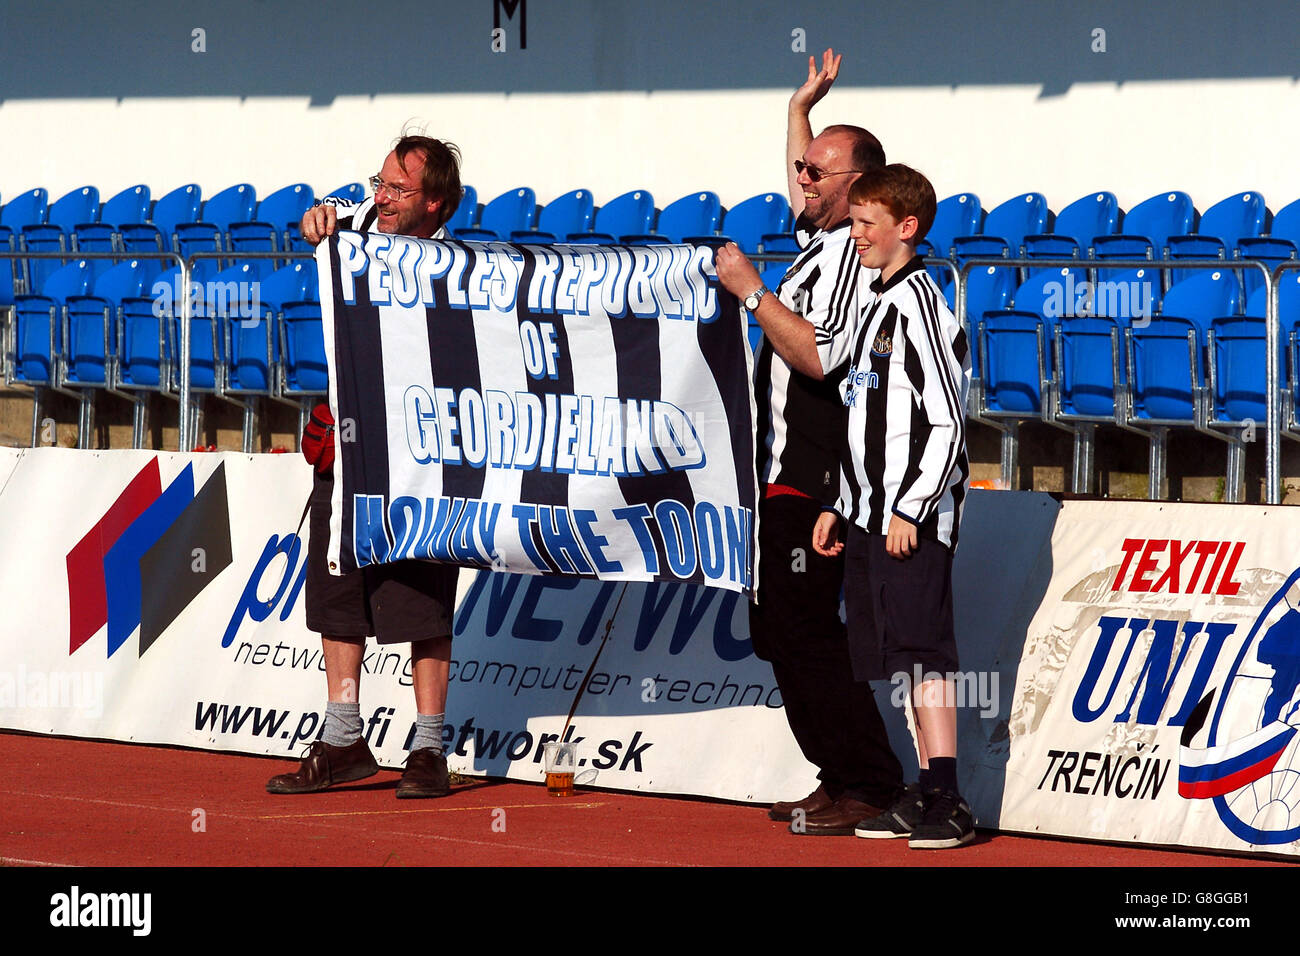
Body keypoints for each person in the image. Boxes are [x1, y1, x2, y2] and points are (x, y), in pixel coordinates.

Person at [716, 50, 904, 835]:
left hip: (816, 480)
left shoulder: (857, 256)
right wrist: (801, 103)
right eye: (803, 170)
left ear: (859, 188)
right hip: (776, 475)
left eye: (819, 174)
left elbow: (819, 355)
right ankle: (837, 772)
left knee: (805, 632)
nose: (803, 181)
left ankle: (870, 779)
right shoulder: (820, 238)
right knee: (781, 634)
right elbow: (805, 164)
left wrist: (752, 292)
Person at [266, 135, 465, 799]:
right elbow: (323, 217)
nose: (380, 198)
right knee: (338, 597)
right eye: (378, 183)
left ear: (433, 202)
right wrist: (319, 210)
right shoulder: (359, 226)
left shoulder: (462, 271)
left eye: (396, 190)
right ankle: (344, 735)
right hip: (348, 450)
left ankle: (430, 746)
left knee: (422, 603)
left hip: (422, 456)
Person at [812, 163, 974, 849]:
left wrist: (912, 505)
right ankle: (924, 788)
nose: (855, 235)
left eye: (866, 223)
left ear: (906, 228)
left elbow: (947, 419)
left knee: (925, 652)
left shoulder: (920, 304)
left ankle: (949, 795)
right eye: (852, 221)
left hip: (913, 519)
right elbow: (860, 409)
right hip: (869, 514)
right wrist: (838, 501)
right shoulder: (872, 302)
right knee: (898, 658)